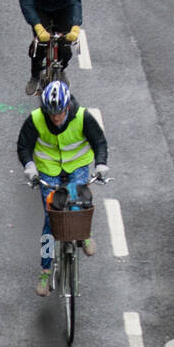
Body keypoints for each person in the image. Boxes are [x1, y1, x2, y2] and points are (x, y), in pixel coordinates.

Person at [17, 80, 109, 297]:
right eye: (52, 113)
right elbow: (24, 145)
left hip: (76, 165)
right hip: (48, 169)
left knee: (78, 203)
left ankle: (84, 235)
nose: (56, 118)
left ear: (68, 106)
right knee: (51, 219)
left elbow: (99, 142)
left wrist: (101, 164)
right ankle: (45, 271)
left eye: (60, 112)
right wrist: (30, 167)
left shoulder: (82, 117)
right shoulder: (36, 119)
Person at [18, 0, 83, 95]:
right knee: (39, 46)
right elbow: (27, 3)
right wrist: (37, 25)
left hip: (62, 10)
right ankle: (35, 75)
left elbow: (74, 2)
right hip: (41, 10)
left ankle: (61, 69)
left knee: (65, 48)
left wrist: (75, 26)